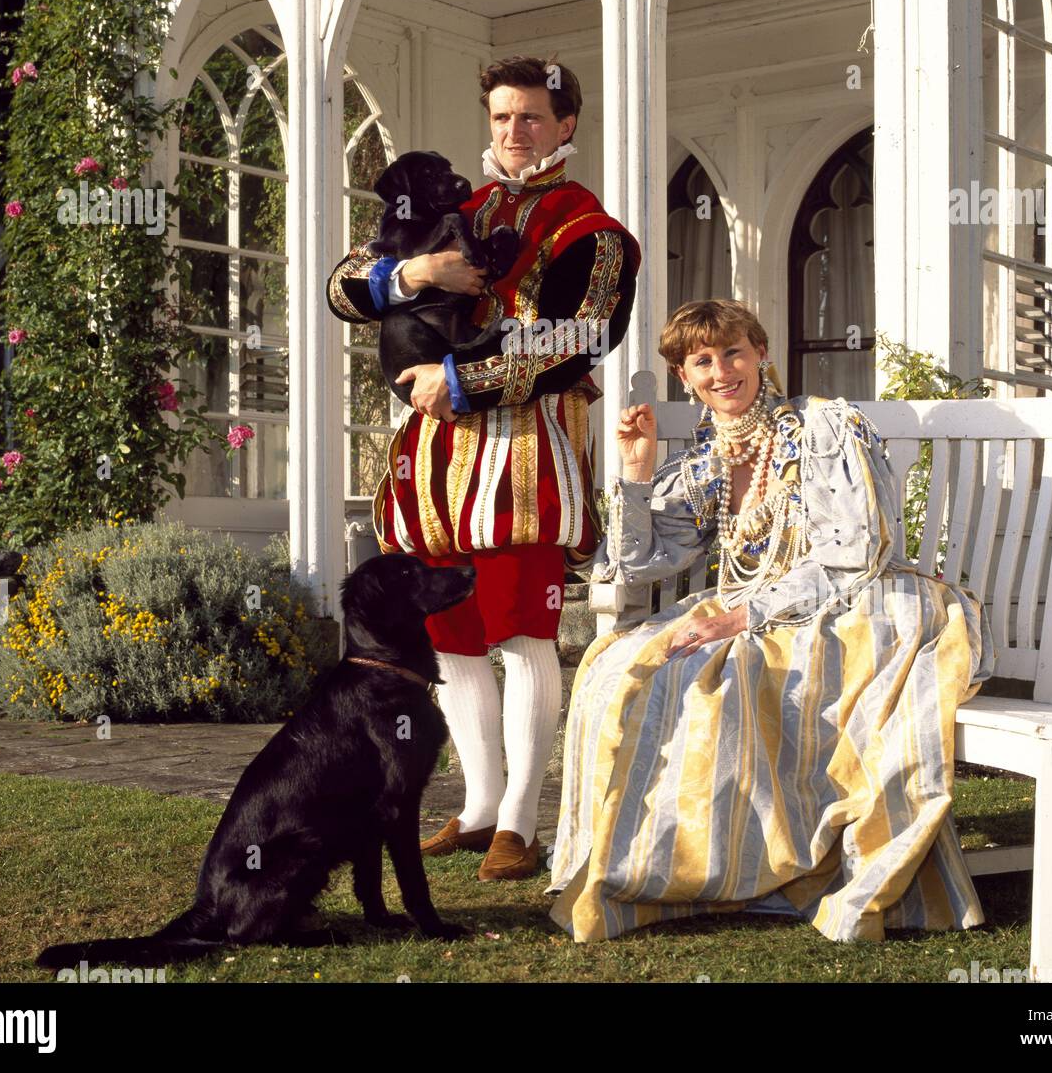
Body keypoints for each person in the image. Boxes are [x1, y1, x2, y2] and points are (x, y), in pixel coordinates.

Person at [547, 298, 996, 941]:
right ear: (685, 377)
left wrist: (741, 616)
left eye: (734, 352)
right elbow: (637, 564)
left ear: (761, 354)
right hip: (755, 604)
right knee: (620, 665)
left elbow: (855, 554)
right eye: (702, 360)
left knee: (719, 674)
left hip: (846, 602)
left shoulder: (822, 431)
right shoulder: (710, 460)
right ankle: (667, 868)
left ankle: (761, 869)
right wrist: (639, 473)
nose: (722, 370)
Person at [327, 55, 640, 881]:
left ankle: (521, 821)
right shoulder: (444, 208)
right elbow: (342, 285)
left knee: (522, 633)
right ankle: (476, 805)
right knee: (453, 636)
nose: (513, 132)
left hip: (524, 457)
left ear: (566, 124)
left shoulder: (593, 231)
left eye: (531, 117)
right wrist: (417, 273)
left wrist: (459, 380)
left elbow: (581, 339)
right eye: (502, 117)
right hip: (432, 468)